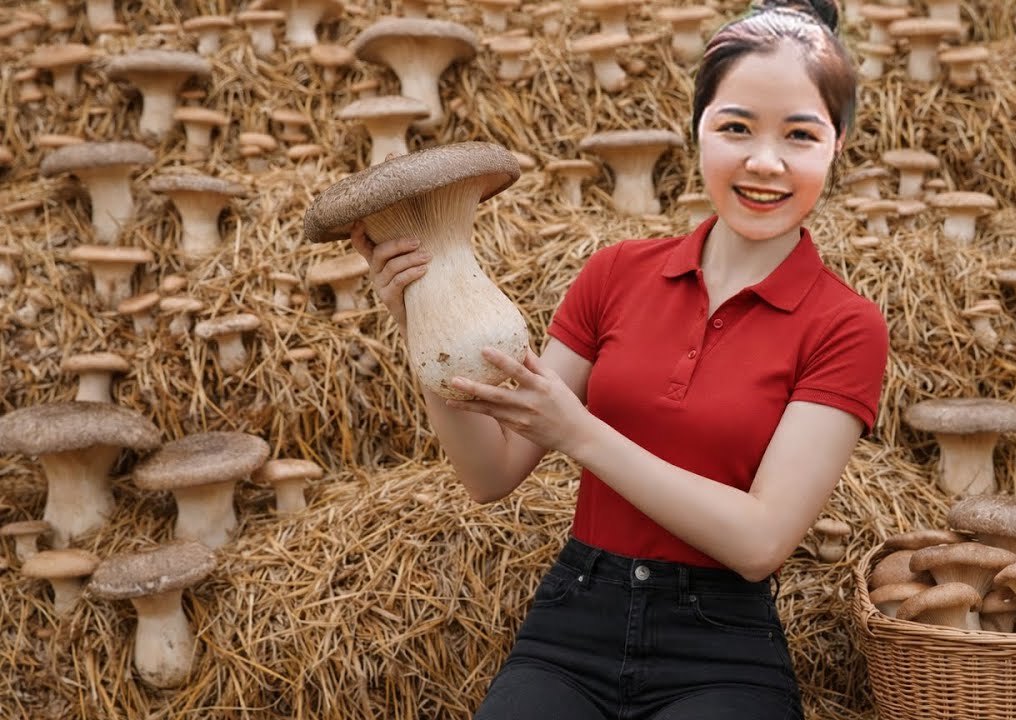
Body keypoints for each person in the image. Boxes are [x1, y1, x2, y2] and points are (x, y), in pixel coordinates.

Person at [350, 1, 888, 717]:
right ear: (696, 129)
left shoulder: (845, 325)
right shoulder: (615, 274)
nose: (765, 162)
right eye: (735, 127)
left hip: (721, 644)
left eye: (800, 134)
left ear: (838, 143)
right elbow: (490, 473)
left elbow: (760, 543)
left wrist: (578, 433)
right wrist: (418, 319)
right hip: (576, 619)